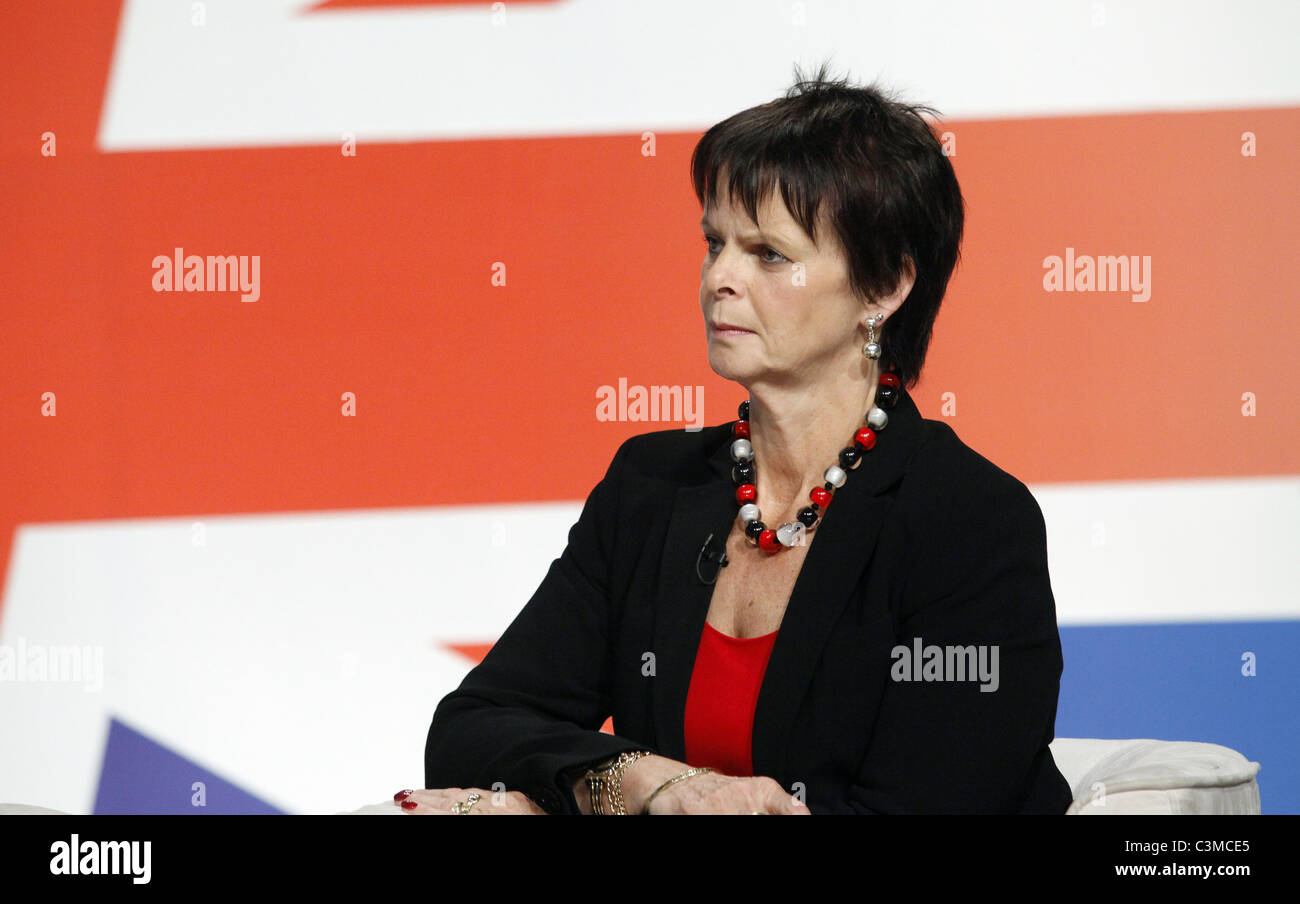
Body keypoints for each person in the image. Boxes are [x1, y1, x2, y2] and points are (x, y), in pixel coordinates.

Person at [401, 62, 1075, 815]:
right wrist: (639, 785)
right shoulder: (652, 485)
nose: (719, 277)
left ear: (884, 288)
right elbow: (471, 730)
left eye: (768, 254)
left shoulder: (969, 521)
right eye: (714, 242)